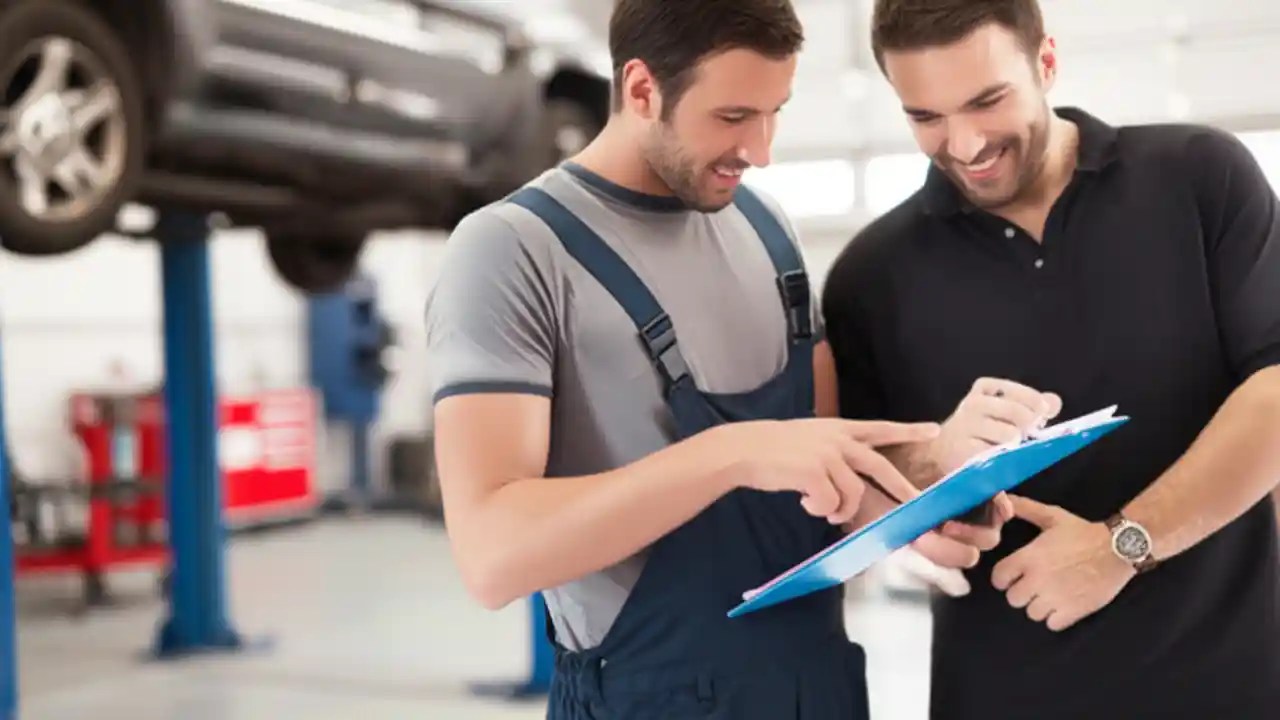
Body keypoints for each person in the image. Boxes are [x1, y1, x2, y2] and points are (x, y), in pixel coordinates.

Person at [423, 1, 1002, 717]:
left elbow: (821, 480)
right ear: (642, 90)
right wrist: (732, 453)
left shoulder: (766, 229)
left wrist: (925, 496)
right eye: (733, 117)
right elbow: (491, 556)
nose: (760, 151)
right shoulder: (514, 252)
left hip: (816, 686)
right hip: (650, 697)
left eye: (774, 113)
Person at [821, 0, 1280, 717]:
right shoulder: (870, 276)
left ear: (1047, 62)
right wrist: (936, 464)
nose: (965, 144)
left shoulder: (1198, 178)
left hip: (1227, 681)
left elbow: (1276, 385)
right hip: (1004, 692)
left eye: (987, 101)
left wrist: (1121, 545)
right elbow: (862, 488)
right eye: (926, 117)